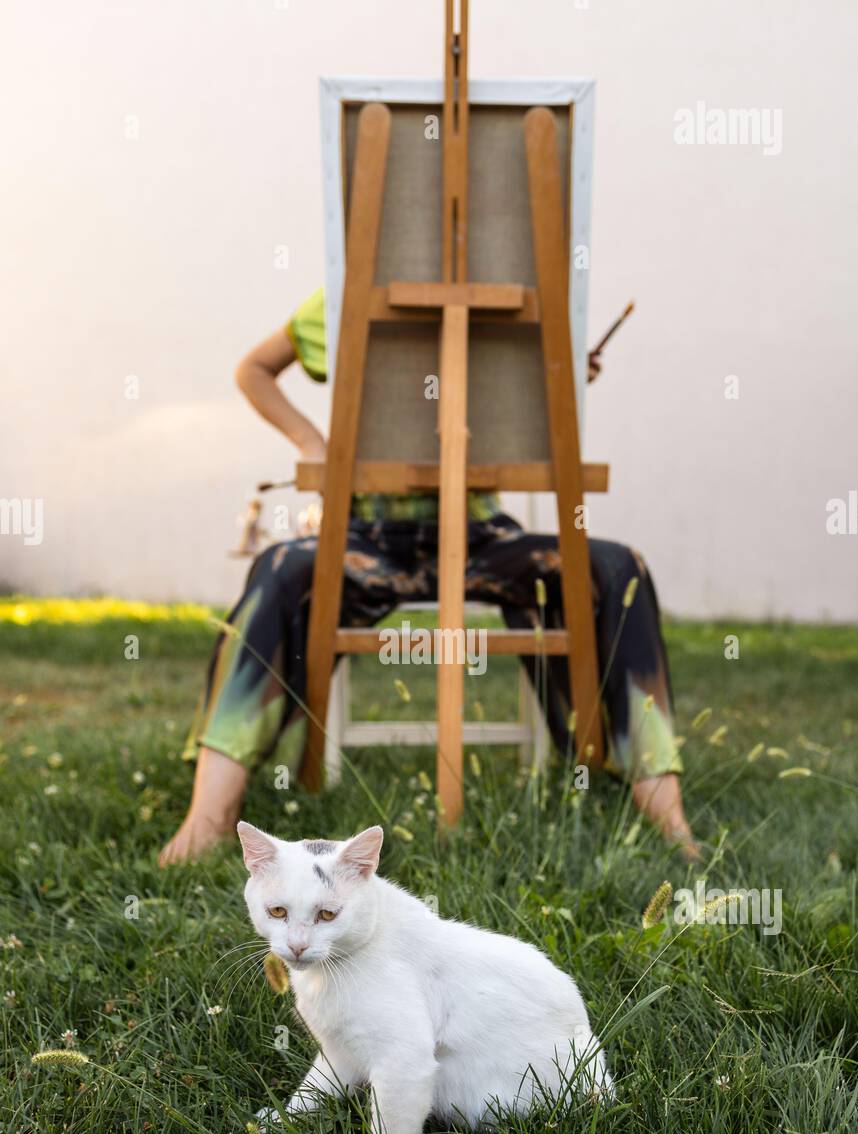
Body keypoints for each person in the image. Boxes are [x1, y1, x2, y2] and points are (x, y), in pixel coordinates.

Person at [159, 288, 696, 866]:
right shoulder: (346, 292)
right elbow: (254, 369)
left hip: (482, 534)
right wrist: (313, 443)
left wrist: (559, 381)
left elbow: (520, 416)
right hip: (366, 536)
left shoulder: (515, 299)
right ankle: (209, 817)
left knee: (621, 568)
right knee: (280, 567)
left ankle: (660, 802)